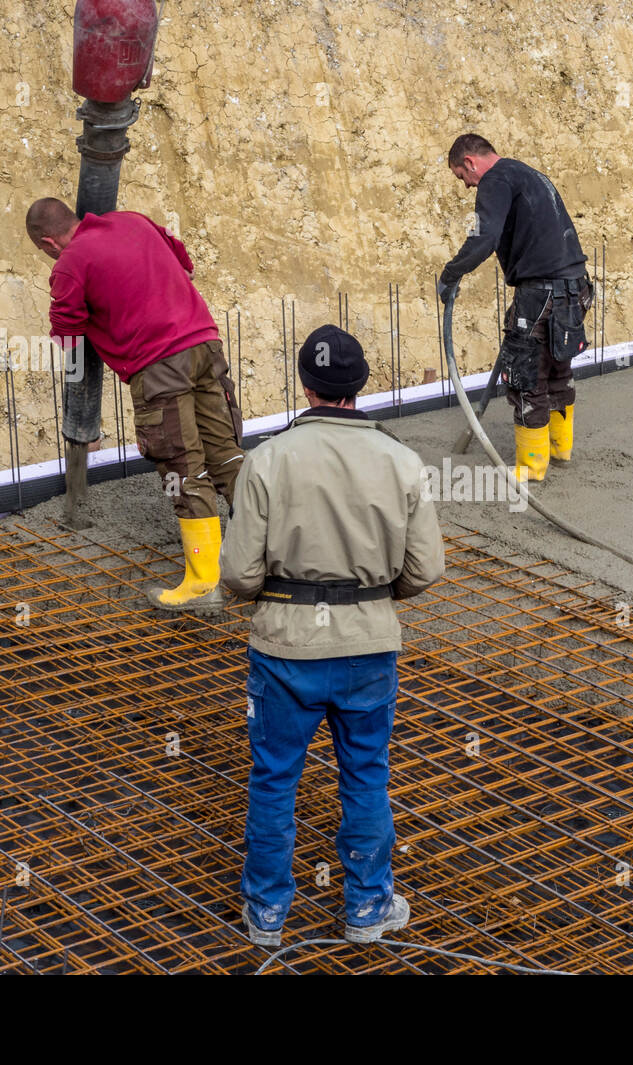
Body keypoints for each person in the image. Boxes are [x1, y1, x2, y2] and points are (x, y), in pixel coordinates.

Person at [220, 325, 445, 948]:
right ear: (359, 385)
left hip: (284, 648)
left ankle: (266, 913)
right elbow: (426, 569)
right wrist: (372, 602)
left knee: (273, 780)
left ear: (305, 384)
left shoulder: (266, 460)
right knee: (366, 776)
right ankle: (368, 909)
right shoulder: (401, 461)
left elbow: (238, 576)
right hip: (368, 648)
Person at [26, 197, 244, 613]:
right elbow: (185, 263)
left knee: (183, 468)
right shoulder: (132, 221)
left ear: (49, 242)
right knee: (228, 456)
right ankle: (270, 562)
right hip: (205, 344)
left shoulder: (69, 264)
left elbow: (67, 333)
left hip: (159, 366)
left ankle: (204, 585)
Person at [439, 134, 591, 482]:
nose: (466, 186)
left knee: (526, 380)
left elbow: (484, 238)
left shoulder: (494, 181)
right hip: (575, 289)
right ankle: (560, 448)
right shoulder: (529, 174)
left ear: (470, 162)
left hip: (541, 294)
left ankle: (531, 468)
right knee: (557, 371)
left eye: (462, 177)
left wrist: (451, 273)